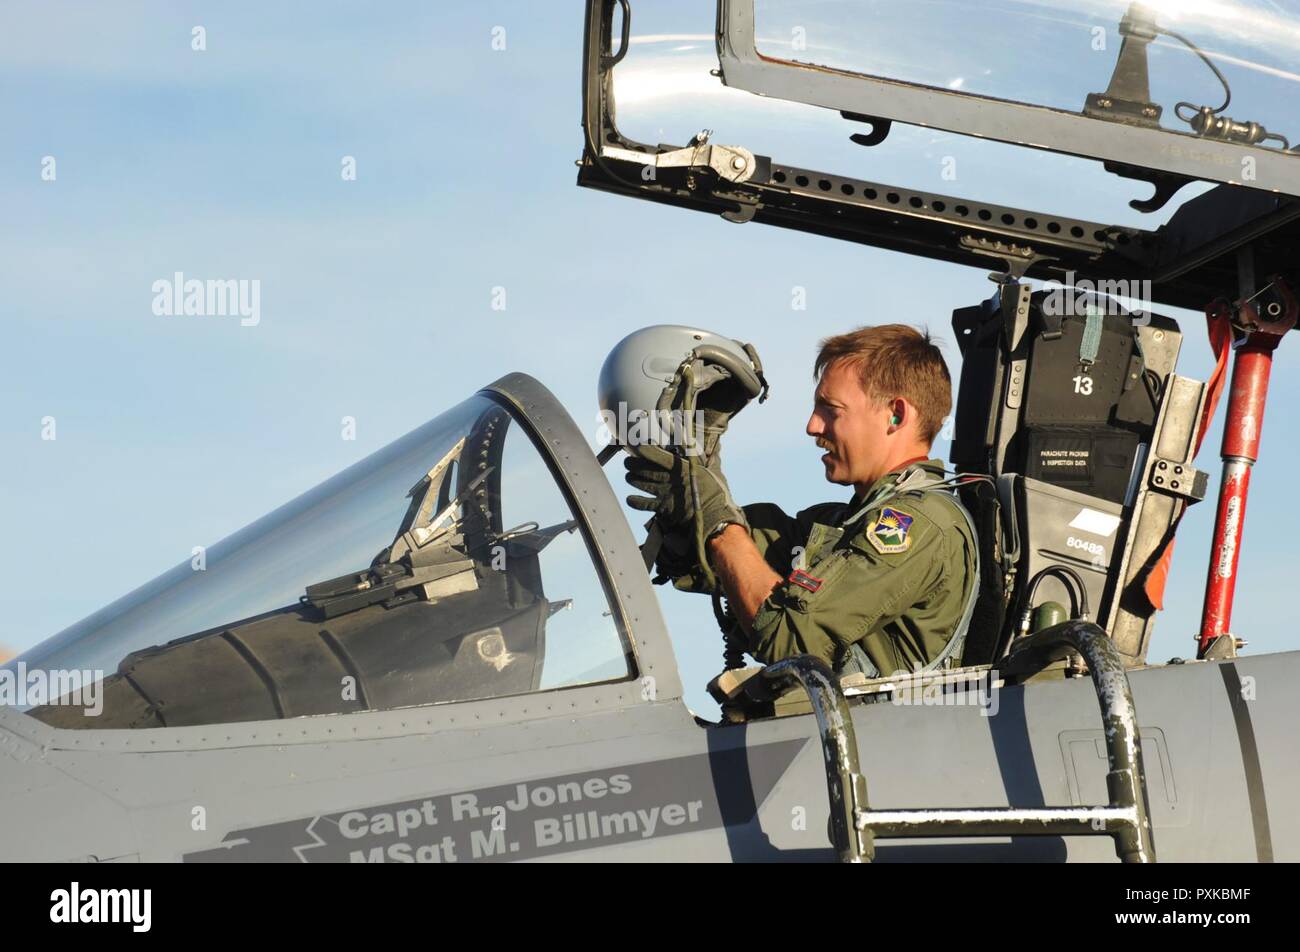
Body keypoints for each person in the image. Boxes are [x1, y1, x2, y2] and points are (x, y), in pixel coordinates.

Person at [626, 324, 978, 677]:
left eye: (831, 410)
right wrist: (697, 464)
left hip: (873, 729)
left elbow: (789, 641)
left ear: (896, 414)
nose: (812, 426)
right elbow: (707, 562)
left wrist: (716, 520)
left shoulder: (918, 526)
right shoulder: (839, 523)